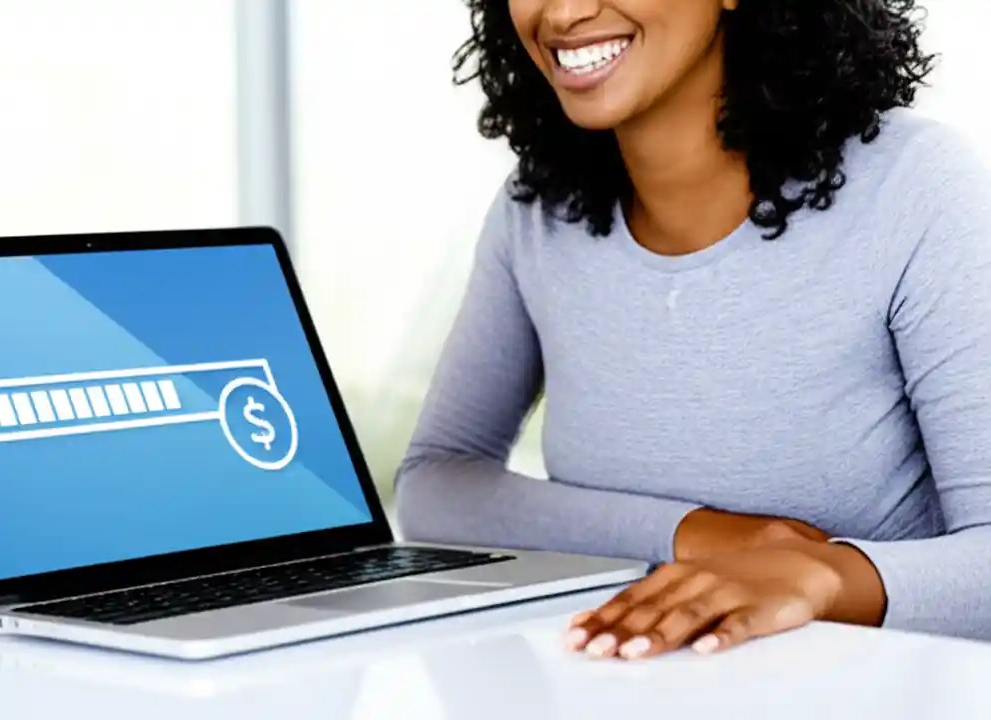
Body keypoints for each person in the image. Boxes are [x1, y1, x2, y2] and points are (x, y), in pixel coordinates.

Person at [395, 0, 991, 660]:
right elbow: (436, 483)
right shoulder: (535, 213)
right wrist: (695, 535)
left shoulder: (920, 188)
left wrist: (824, 576)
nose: (564, 12)